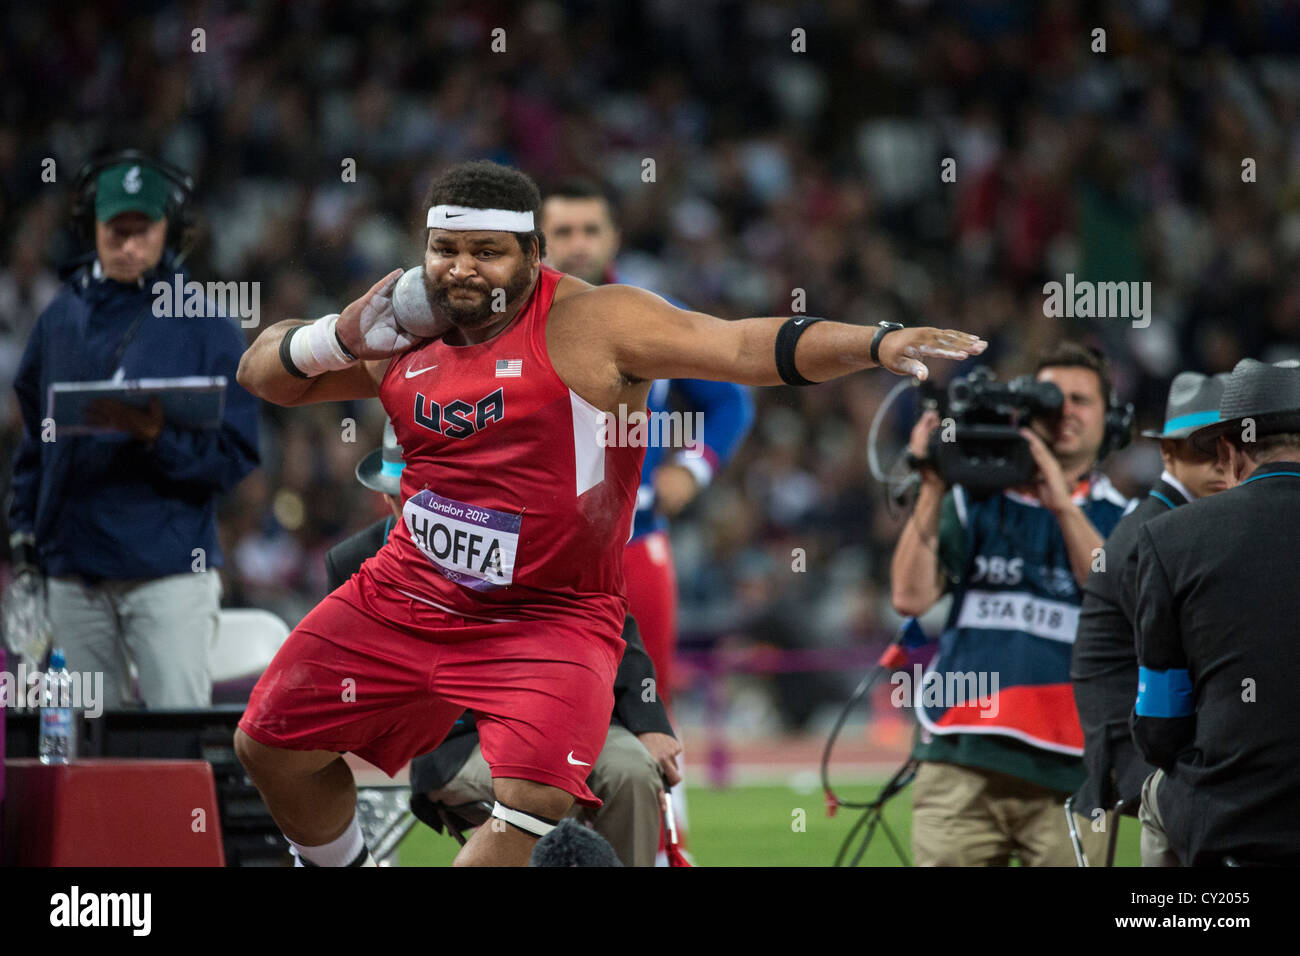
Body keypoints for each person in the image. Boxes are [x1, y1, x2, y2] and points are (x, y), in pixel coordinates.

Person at [232, 158, 985, 867]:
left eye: (487, 251)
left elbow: (744, 346)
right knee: (265, 746)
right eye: (445, 248)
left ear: (533, 253)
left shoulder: (593, 323)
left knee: (532, 804)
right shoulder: (404, 326)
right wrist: (336, 337)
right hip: (409, 591)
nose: (461, 268)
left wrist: (874, 342)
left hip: (550, 614)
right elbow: (262, 373)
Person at [325, 420, 680, 867]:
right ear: (386, 495)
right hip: (457, 742)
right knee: (543, 792)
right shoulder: (352, 563)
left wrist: (650, 723)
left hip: (565, 721)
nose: (408, 506)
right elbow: (347, 680)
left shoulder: (529, 528)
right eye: (400, 493)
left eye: (422, 491)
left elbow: (608, 619)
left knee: (632, 771)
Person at [539, 179, 754, 855]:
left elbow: (731, 400)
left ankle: (663, 849)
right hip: (541, 554)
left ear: (614, 238)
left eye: (589, 230)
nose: (578, 243)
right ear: (541, 241)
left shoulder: (651, 316)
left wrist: (692, 470)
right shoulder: (516, 321)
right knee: (546, 701)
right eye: (564, 231)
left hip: (638, 544)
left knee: (647, 701)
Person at [7, 151, 260, 708]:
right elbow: (33, 442)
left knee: (176, 740)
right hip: (72, 571)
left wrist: (157, 439)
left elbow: (239, 453)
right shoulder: (59, 318)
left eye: (141, 230)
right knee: (82, 748)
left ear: (169, 229)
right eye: (113, 230)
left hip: (168, 572)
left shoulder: (206, 323)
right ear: (89, 229)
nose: (127, 244)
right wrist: (25, 536)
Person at [890, 343, 1131, 866]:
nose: (1064, 411)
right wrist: (931, 486)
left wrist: (1061, 503)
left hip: (1074, 770)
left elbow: (1113, 590)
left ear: (1110, 417)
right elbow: (909, 596)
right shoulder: (972, 500)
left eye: (1080, 400)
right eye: (1050, 399)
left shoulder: (1128, 517)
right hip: (960, 754)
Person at [1132, 358, 1300, 866]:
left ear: (1230, 452)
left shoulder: (1171, 538)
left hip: (1228, 819)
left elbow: (1160, 722)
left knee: (1156, 797)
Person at [1071, 372, 1233, 850]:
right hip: (1132, 742)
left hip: (1154, 728)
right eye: (1204, 451)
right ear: (1167, 454)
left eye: (1229, 448)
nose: (1222, 464)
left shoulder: (1177, 521)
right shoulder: (1156, 535)